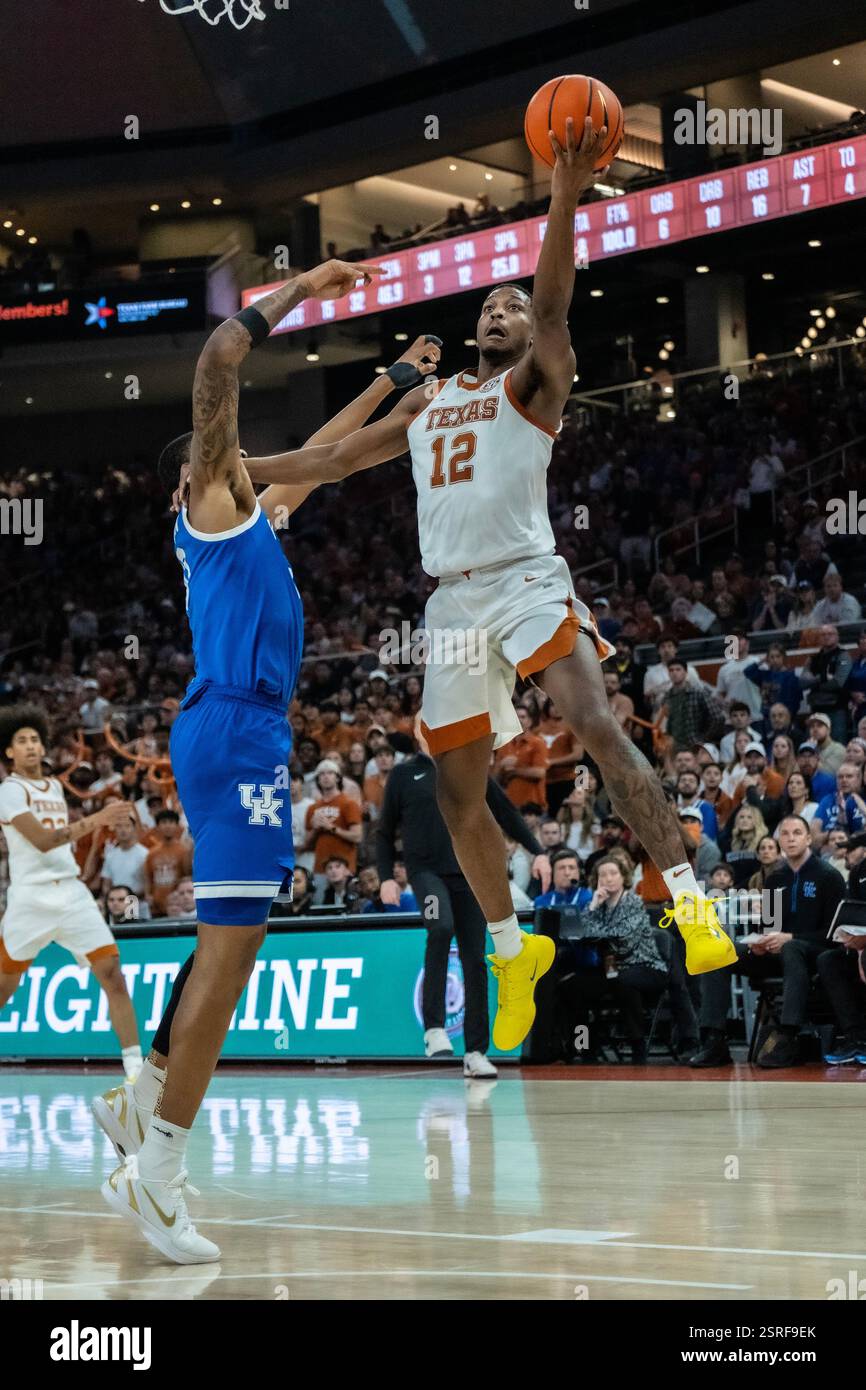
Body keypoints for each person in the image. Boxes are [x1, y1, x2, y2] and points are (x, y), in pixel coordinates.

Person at [240, 123, 735, 1054]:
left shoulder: (536, 385)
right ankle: (512, 955)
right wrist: (234, 462)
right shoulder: (428, 402)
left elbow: (554, 303)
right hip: (453, 606)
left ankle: (691, 901)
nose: (506, 310)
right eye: (494, 305)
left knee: (594, 723)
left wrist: (562, 190)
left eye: (515, 303)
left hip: (527, 580)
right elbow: (336, 456)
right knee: (457, 796)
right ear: (476, 328)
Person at [94, 257, 442, 1264]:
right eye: (238, 450)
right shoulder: (211, 494)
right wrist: (306, 288)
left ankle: (141, 1101)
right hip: (236, 729)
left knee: (225, 945)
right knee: (235, 952)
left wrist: (396, 385)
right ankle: (156, 1172)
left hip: (233, 731)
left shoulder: (238, 518)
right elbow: (221, 359)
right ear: (199, 471)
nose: (255, 458)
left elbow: (324, 459)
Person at [377, 718, 548, 1076]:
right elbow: (383, 831)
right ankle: (434, 1029)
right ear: (418, 732)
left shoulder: (466, 771)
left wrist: (538, 851)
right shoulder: (404, 775)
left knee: (475, 957)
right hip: (425, 871)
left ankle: (475, 1052)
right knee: (440, 928)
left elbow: (506, 812)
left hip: (470, 873)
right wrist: (384, 878)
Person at [0, 706, 142, 1081]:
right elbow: (44, 841)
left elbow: (62, 843)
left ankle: (135, 1069)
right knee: (3, 988)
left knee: (112, 973)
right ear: (9, 752)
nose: (30, 746)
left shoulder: (53, 787)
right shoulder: (9, 791)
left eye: (34, 739)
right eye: (21, 741)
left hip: (72, 894)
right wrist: (99, 818)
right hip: (31, 899)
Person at [690, 815, 846, 1068]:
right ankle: (714, 1039)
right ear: (779, 840)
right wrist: (760, 942)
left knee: (793, 947)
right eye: (785, 834)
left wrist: (791, 937)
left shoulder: (828, 876)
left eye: (797, 833)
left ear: (808, 839)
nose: (791, 838)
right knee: (718, 950)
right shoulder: (775, 879)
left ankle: (787, 1035)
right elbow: (768, 927)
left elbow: (834, 934)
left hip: (816, 954)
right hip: (778, 952)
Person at [582, 856, 697, 1064]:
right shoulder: (598, 905)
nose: (608, 879)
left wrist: (595, 929)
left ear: (623, 876)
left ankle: (638, 1044)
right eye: (603, 875)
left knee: (623, 981)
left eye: (613, 873)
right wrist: (592, 906)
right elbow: (585, 934)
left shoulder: (633, 902)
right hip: (616, 970)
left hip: (648, 967)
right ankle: (584, 1046)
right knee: (576, 986)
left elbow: (620, 937)